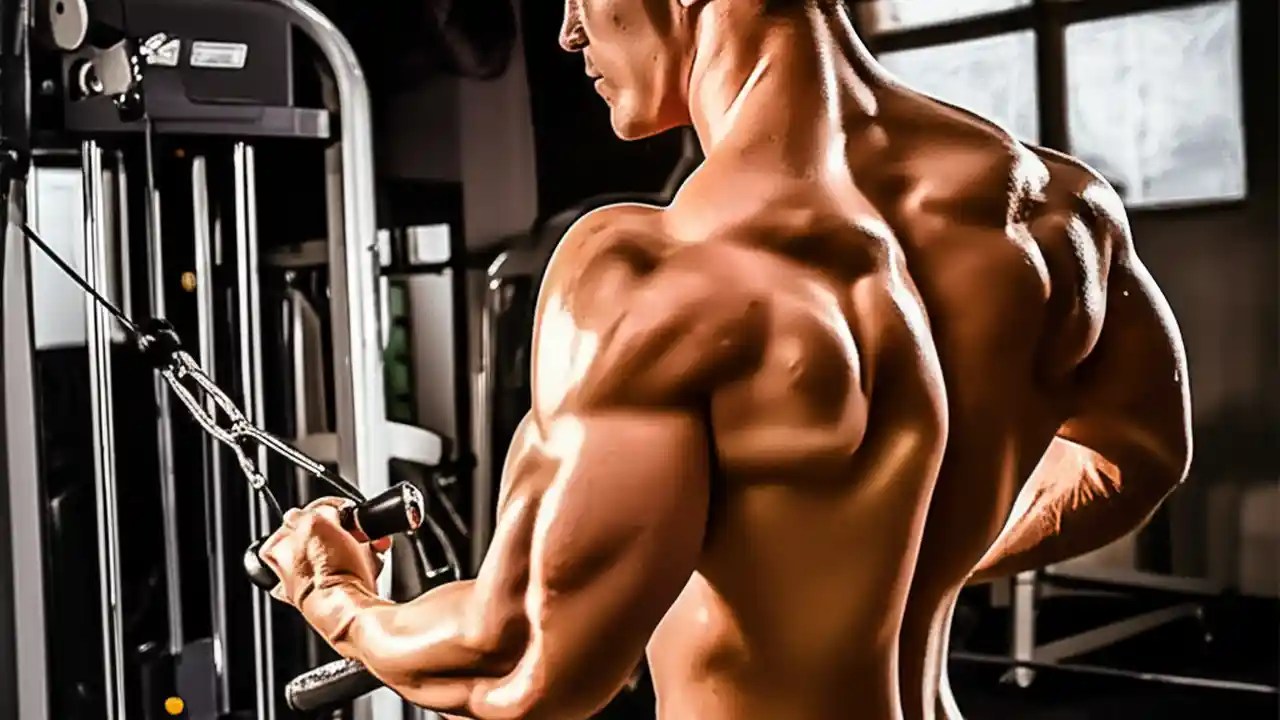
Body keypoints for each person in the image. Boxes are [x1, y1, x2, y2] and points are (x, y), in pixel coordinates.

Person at [259, 1, 1191, 718]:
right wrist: (904, 561)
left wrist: (336, 594)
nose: (568, 30)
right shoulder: (1055, 214)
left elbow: (522, 664)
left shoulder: (647, 269)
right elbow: (1137, 458)